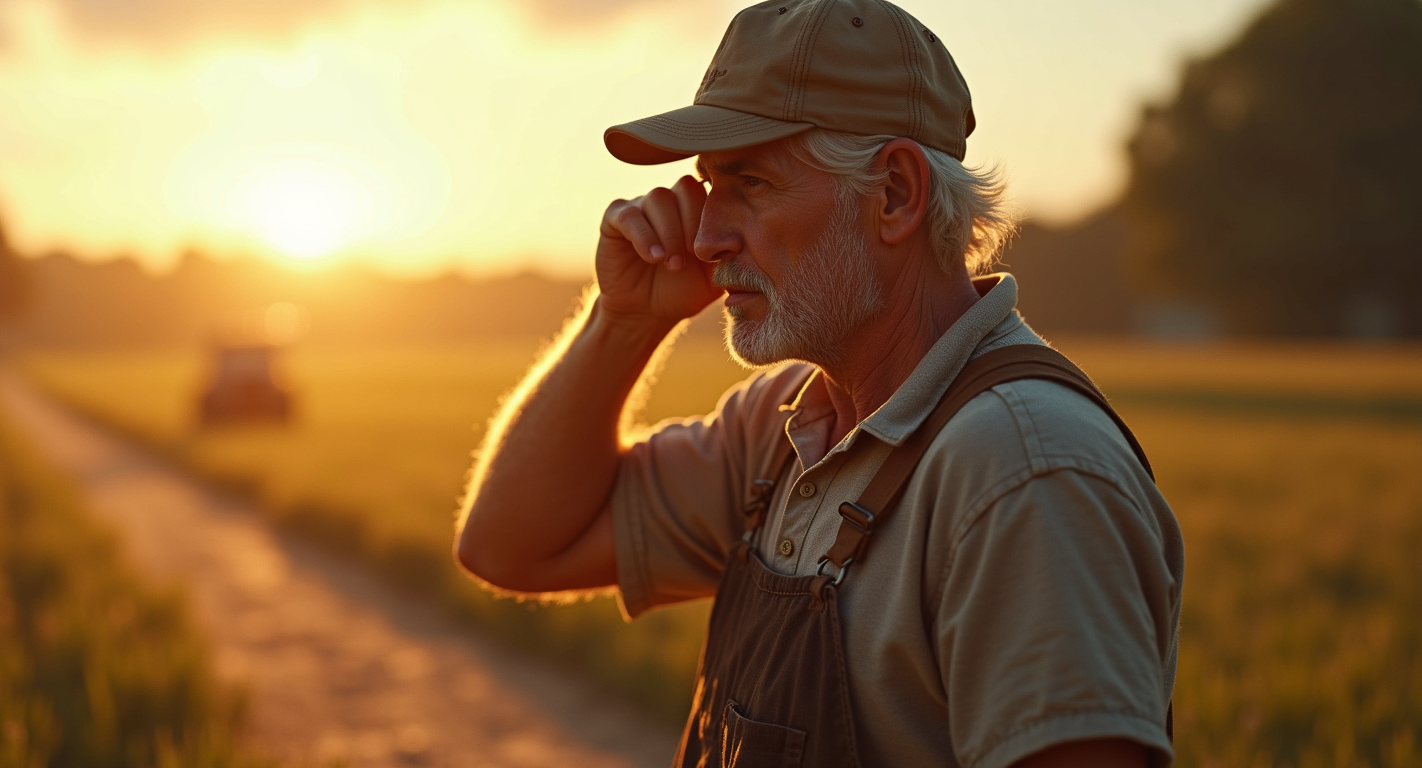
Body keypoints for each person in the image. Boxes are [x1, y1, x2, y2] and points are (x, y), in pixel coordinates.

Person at [454, 1, 1184, 766]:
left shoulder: (1022, 472)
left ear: (895, 194)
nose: (705, 237)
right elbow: (509, 546)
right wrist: (624, 321)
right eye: (710, 185)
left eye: (753, 182)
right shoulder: (784, 428)